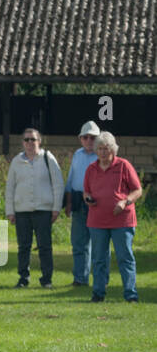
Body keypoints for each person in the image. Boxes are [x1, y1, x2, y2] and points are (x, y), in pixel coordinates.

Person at [83, 131, 143, 303]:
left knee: (125, 257)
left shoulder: (124, 165)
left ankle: (131, 294)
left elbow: (137, 190)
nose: (103, 152)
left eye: (106, 149)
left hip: (122, 220)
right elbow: (86, 191)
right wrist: (88, 199)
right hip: (97, 220)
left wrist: (125, 202)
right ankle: (98, 293)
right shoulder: (91, 169)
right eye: (100, 148)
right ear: (96, 150)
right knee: (99, 259)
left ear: (113, 149)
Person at [4, 128, 63, 289]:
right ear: (22, 142)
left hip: (43, 210)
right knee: (24, 246)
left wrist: (56, 208)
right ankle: (23, 278)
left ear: (39, 141)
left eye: (33, 139)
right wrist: (10, 211)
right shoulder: (16, 161)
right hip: (22, 210)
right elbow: (10, 187)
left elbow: (58, 184)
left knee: (44, 246)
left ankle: (46, 279)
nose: (30, 143)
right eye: (27, 140)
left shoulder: (47, 158)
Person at [64, 121, 100, 287]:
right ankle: (80, 278)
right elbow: (71, 179)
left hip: (98, 202)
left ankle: (101, 279)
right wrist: (69, 202)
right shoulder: (77, 154)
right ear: (80, 139)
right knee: (79, 243)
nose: (89, 140)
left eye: (92, 137)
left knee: (99, 243)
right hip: (78, 200)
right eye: (85, 137)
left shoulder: (103, 155)